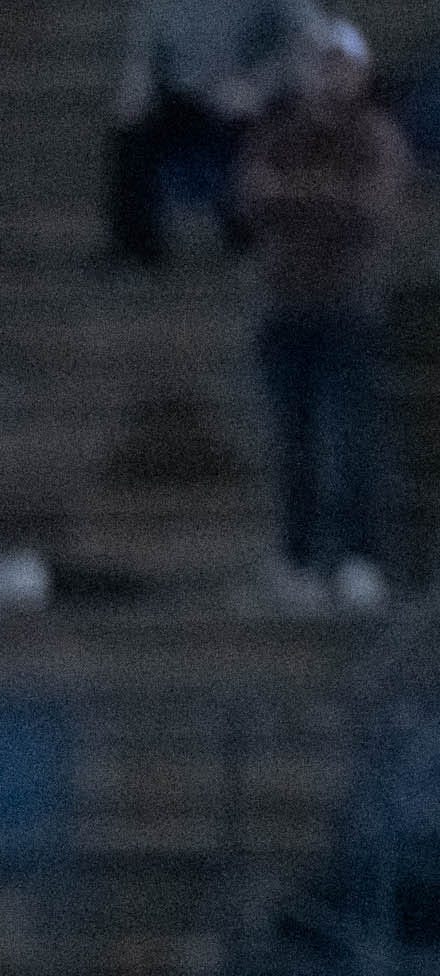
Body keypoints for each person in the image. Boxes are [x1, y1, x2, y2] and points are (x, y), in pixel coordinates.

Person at [239, 18, 414, 613]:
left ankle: (360, 557)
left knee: (351, 440)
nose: (329, 76)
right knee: (294, 445)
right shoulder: (278, 134)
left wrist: (304, 198)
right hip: (284, 309)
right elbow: (255, 198)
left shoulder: (376, 136)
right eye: (320, 65)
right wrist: (321, 198)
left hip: (347, 308)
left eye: (340, 65)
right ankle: (299, 560)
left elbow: (369, 207)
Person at [108, 0, 328, 265]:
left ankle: (251, 231)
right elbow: (144, 50)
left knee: (259, 132)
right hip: (185, 97)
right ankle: (135, 245)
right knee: (133, 135)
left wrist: (258, 86)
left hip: (251, 96)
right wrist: (137, 89)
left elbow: (311, 38)